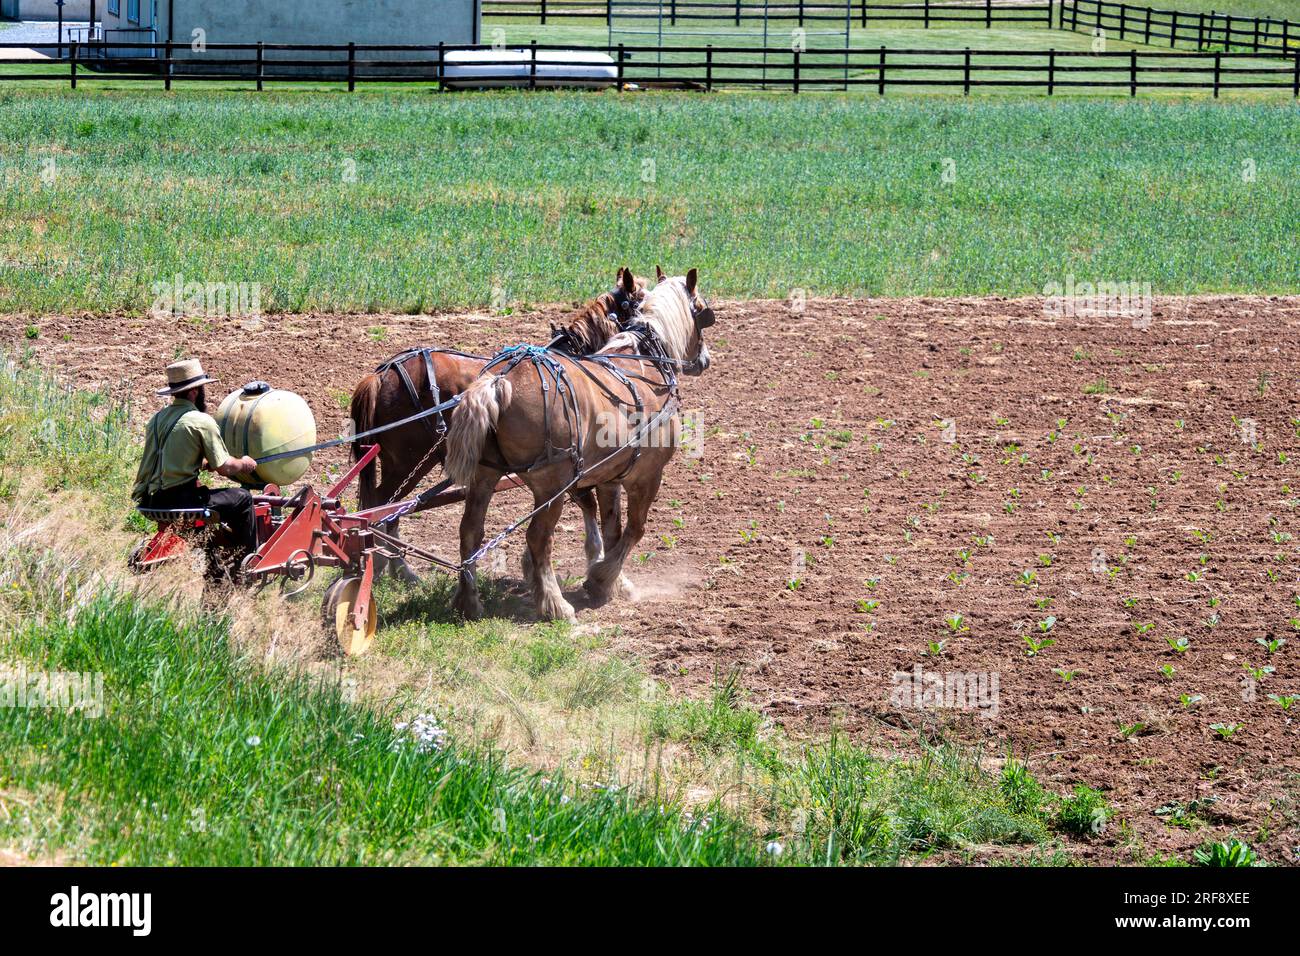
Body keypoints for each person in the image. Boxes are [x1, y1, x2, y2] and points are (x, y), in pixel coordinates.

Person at [131, 359, 260, 577]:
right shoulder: (200, 421)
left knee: (210, 507)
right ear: (194, 392)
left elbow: (166, 458)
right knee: (242, 499)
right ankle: (244, 564)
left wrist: (201, 463)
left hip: (153, 499)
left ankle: (216, 568)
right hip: (181, 501)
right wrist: (244, 463)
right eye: (202, 389)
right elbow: (225, 467)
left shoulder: (156, 420)